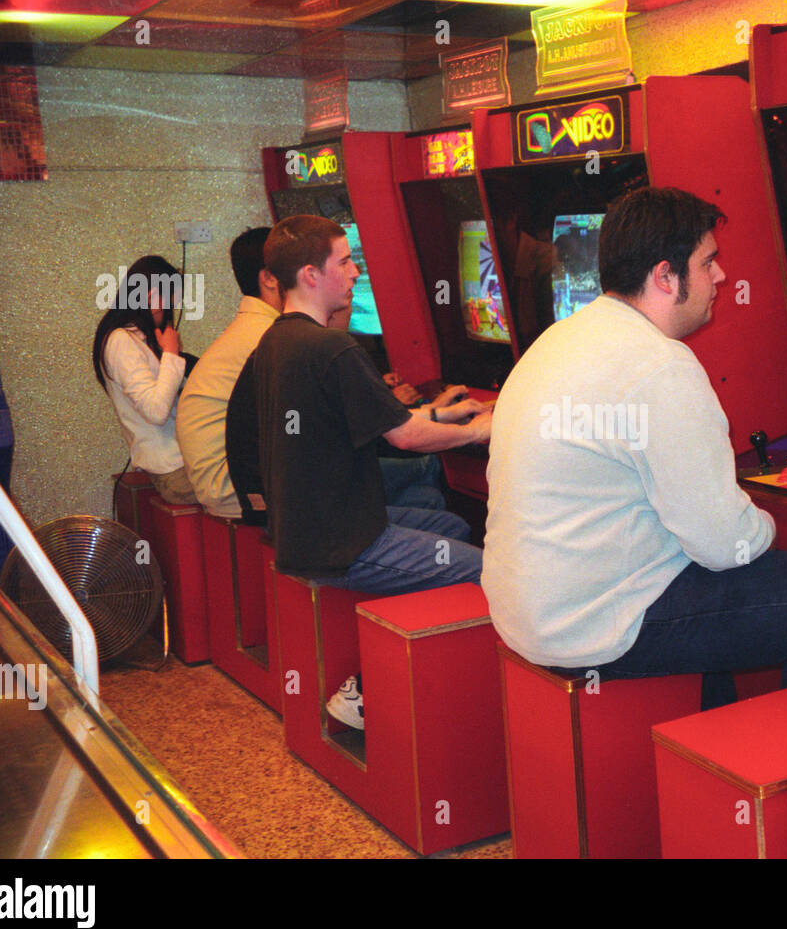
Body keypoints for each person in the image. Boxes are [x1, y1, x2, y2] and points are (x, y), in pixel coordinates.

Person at [482, 187, 787, 713]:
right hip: (594, 625)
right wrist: (766, 522)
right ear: (665, 276)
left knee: (712, 599)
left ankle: (720, 764)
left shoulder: (560, 338)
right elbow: (726, 546)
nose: (721, 277)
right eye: (708, 261)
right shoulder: (658, 365)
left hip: (530, 610)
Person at [234, 214, 491, 728]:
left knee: (454, 527)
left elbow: (388, 419)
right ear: (311, 274)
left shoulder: (278, 342)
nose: (355, 273)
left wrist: (446, 414)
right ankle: (373, 692)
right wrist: (482, 429)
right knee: (491, 571)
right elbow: (404, 436)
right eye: (345, 261)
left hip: (309, 532)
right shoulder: (330, 347)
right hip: (344, 544)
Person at [176, 227, 282, 518]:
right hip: (237, 489)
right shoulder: (269, 335)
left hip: (226, 482)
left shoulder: (256, 328)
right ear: (269, 278)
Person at [92, 255, 197, 505]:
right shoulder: (120, 341)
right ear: (151, 296)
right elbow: (156, 411)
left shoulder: (138, 340)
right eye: (169, 302)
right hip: (172, 469)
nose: (169, 313)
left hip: (181, 461)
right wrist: (171, 353)